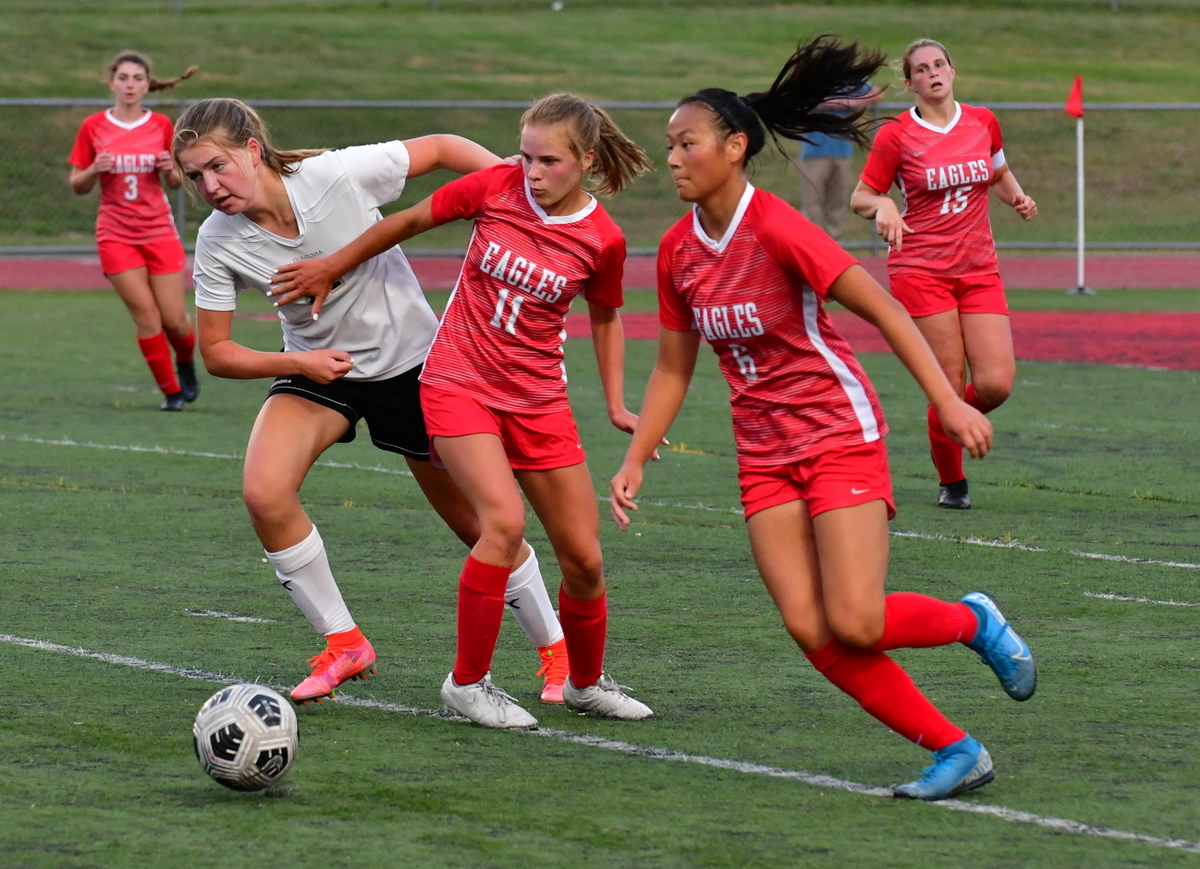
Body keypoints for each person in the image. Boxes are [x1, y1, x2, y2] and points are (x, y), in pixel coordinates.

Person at [609, 36, 1036, 801]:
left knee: (858, 620)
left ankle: (973, 621)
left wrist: (946, 397)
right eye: (669, 145)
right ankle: (956, 748)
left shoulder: (776, 225)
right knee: (811, 628)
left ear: (734, 149)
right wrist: (638, 454)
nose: (671, 158)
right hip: (765, 453)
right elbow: (675, 366)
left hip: (839, 430)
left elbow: (883, 308)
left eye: (686, 143)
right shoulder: (676, 251)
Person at [271, 93, 657, 729]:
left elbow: (607, 316)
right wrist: (330, 268)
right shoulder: (495, 187)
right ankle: (468, 684)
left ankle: (586, 684)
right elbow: (407, 221)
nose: (530, 170)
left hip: (538, 398)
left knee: (584, 559)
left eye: (549, 160)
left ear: (587, 160)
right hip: (458, 382)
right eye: (526, 155)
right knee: (500, 525)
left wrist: (615, 401)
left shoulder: (603, 239)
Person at [173, 97, 572, 706]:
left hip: (416, 369)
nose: (209, 185)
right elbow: (219, 353)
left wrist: (516, 199)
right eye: (195, 176)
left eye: (218, 166)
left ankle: (555, 653)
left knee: (480, 525)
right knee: (264, 491)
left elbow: (440, 147)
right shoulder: (218, 239)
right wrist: (298, 362)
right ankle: (344, 643)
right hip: (318, 373)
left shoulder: (332, 176)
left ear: (252, 149)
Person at [850, 38, 1037, 509]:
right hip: (921, 270)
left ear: (953, 71)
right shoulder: (896, 135)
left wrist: (1017, 196)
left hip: (978, 267)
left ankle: (945, 419)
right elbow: (861, 197)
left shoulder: (982, 121)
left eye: (939, 64)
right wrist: (885, 205)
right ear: (910, 82)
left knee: (996, 383)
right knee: (949, 383)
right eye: (921, 69)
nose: (933, 73)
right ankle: (953, 482)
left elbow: (996, 171)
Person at [69, 51, 200, 412]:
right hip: (116, 234)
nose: (130, 85)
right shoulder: (94, 126)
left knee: (174, 319)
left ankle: (185, 361)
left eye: (137, 78)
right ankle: (171, 391)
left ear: (147, 84)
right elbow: (77, 184)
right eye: (123, 78)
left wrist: (169, 168)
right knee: (146, 315)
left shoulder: (160, 124)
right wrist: (95, 168)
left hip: (159, 230)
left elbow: (176, 182)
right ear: (112, 83)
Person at [798, 83, 883, 242]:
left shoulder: (848, 82)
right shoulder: (813, 79)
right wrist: (836, 103)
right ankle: (811, 247)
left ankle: (834, 248)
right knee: (812, 205)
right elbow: (801, 99)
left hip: (842, 151)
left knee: (837, 204)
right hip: (815, 152)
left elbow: (877, 94)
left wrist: (852, 102)